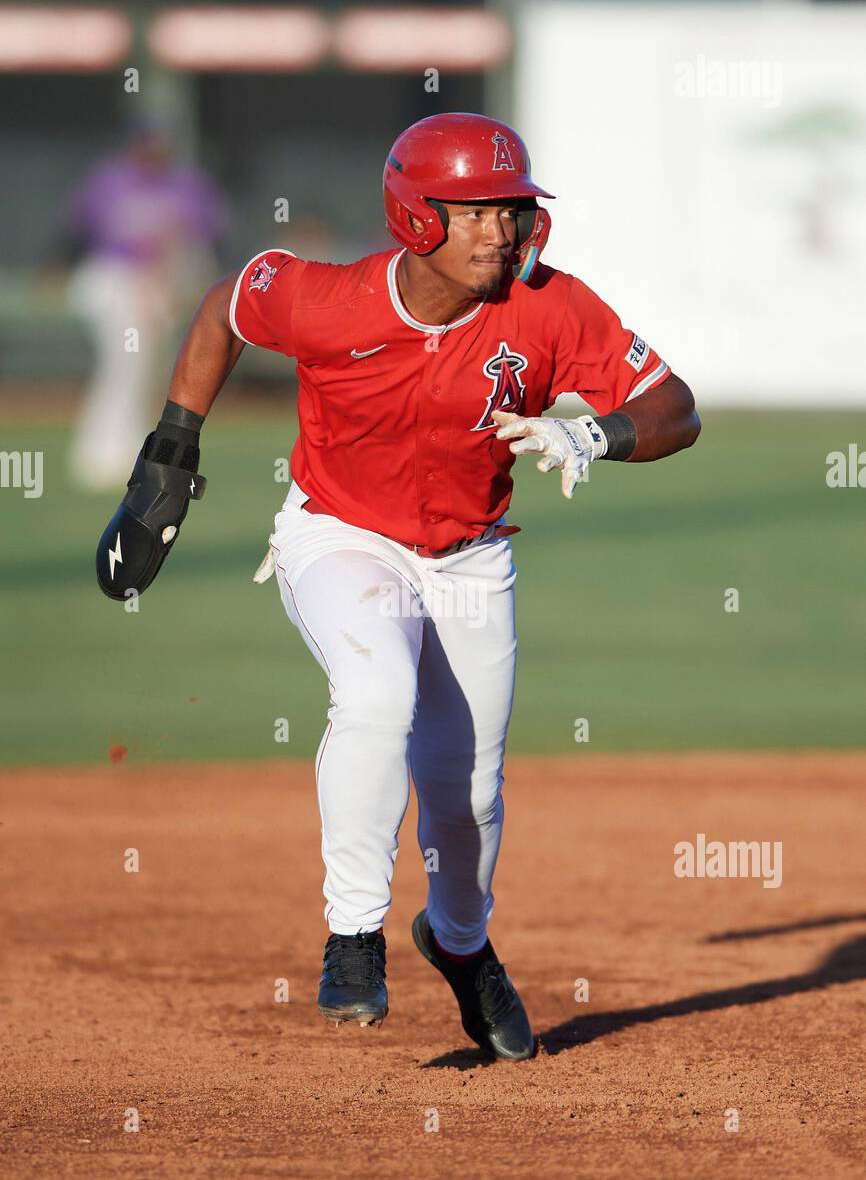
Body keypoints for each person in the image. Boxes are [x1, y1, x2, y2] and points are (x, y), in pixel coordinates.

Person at [95, 112, 700, 1062]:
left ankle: (460, 944)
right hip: (339, 532)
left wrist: (597, 434)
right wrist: (170, 451)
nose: (501, 229)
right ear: (416, 218)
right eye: (475, 212)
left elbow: (676, 406)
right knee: (377, 693)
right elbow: (224, 307)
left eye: (510, 209)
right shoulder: (329, 299)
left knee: (468, 796)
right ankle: (352, 932)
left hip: (469, 556)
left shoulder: (551, 307)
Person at [61, 119, 227, 489]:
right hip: (114, 279)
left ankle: (115, 452)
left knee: (141, 370)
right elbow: (80, 232)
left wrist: (170, 281)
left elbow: (205, 239)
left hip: (162, 285)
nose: (152, 153)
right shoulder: (110, 180)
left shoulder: (186, 184)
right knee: (125, 365)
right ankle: (100, 456)